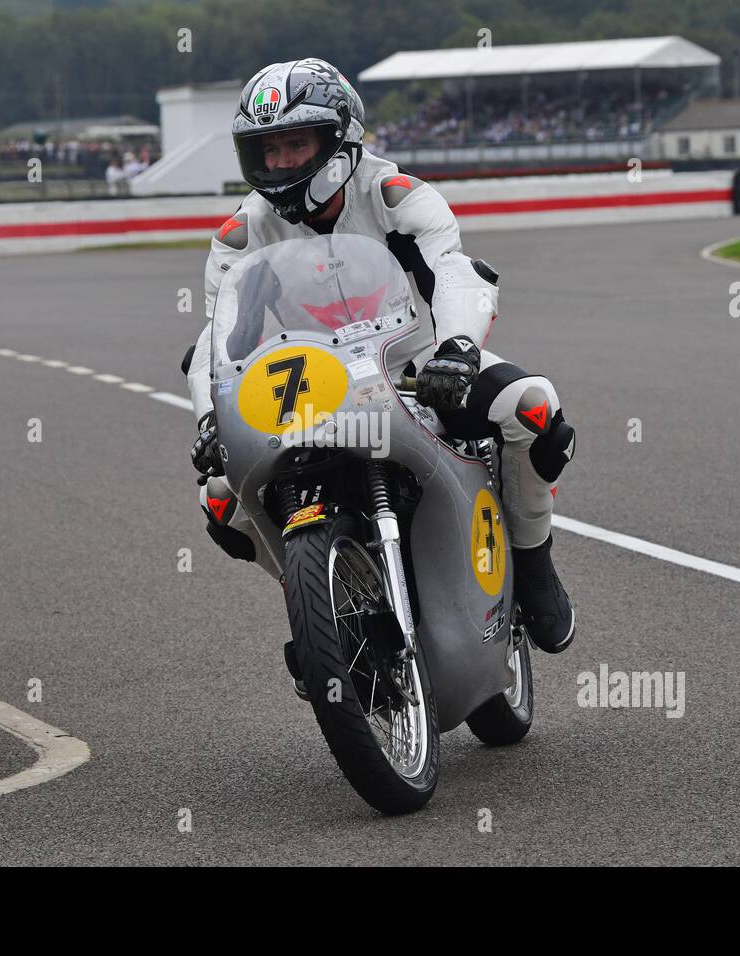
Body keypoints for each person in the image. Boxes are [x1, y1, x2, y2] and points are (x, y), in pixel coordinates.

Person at [182, 58, 577, 684]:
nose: (281, 163)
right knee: (220, 499)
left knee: (534, 407)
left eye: (296, 144)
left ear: (339, 138)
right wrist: (210, 417)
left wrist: (459, 350)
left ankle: (532, 561)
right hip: (306, 384)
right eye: (268, 149)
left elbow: (455, 271)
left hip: (418, 363)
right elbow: (215, 340)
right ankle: (322, 607)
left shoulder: (396, 196)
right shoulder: (240, 235)